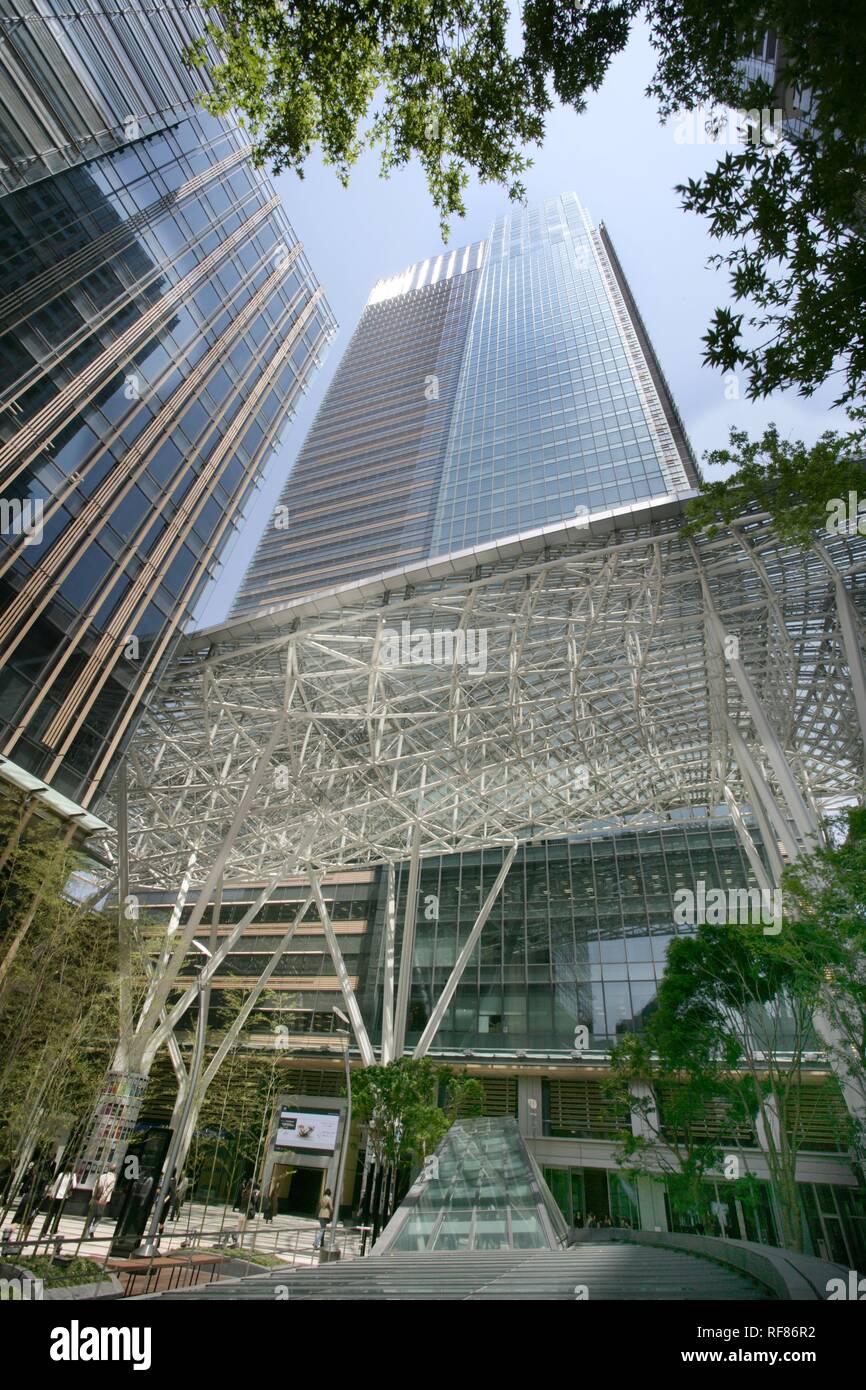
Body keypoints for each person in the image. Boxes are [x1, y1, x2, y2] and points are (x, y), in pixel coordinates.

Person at [41, 1168, 76, 1237]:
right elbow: (74, 1186)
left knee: (50, 1214)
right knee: (58, 1214)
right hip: (64, 1197)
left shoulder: (61, 1174)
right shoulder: (73, 1175)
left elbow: (56, 1184)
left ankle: (44, 1231)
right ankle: (53, 1230)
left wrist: (52, 1193)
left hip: (56, 1195)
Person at [84, 1168, 116, 1240]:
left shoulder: (101, 1176)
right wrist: (102, 1199)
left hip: (95, 1199)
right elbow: (108, 1190)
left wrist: (94, 1196)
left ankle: (86, 1234)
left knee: (90, 1217)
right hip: (103, 1201)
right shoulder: (113, 1179)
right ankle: (92, 1230)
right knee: (98, 1216)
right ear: (114, 1171)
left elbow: (95, 1187)